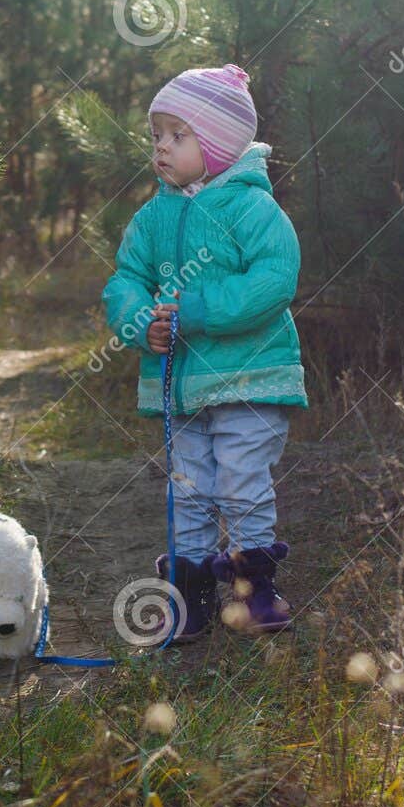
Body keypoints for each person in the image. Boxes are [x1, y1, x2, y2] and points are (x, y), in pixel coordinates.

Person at [101, 63, 308, 640]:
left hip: (250, 379)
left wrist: (198, 309)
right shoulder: (154, 215)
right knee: (188, 489)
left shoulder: (252, 209)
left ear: (216, 144)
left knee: (241, 483)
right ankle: (189, 596)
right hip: (181, 384)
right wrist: (143, 323)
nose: (162, 147)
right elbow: (126, 279)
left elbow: (274, 279)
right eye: (156, 136)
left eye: (177, 134)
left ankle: (252, 592)